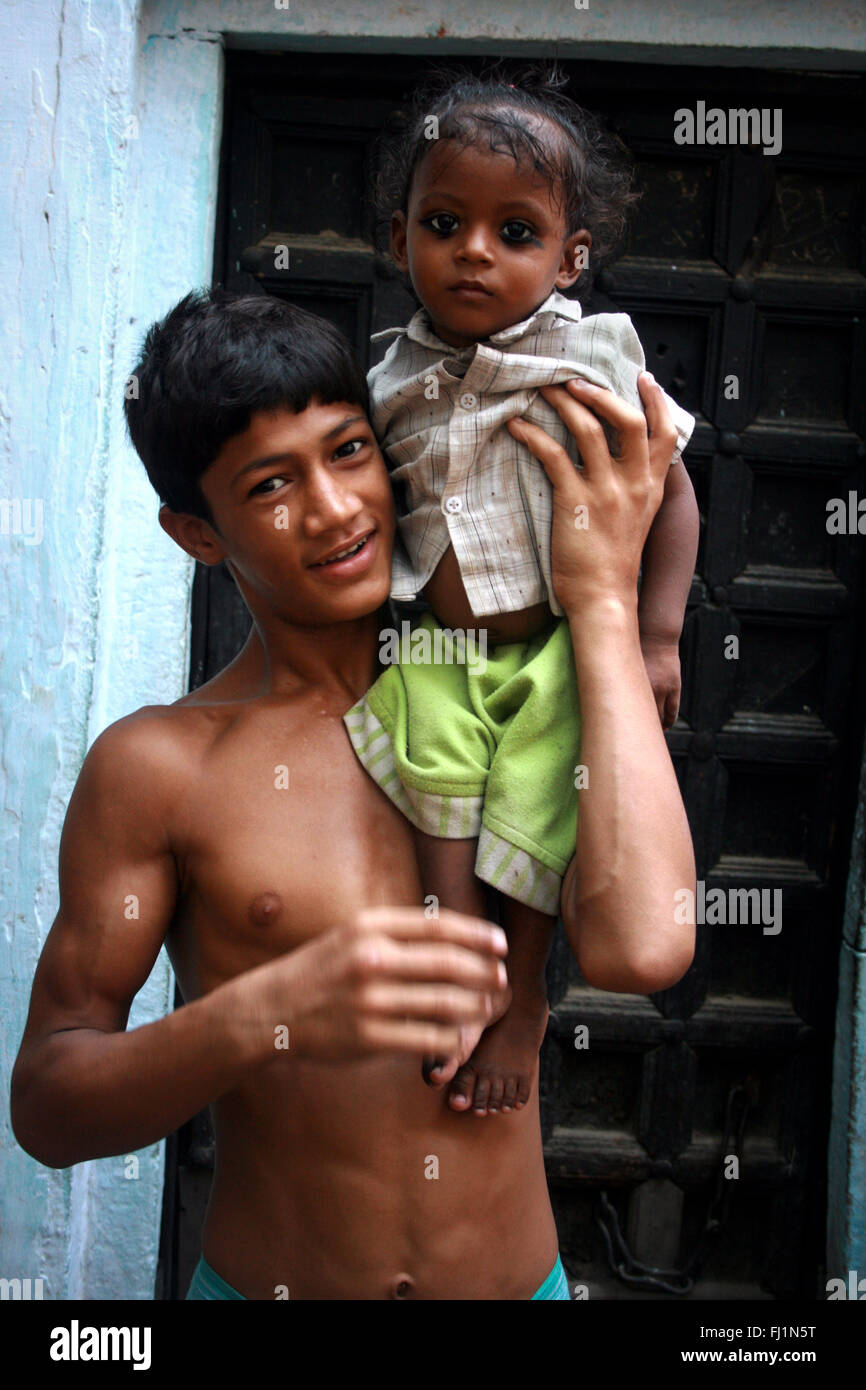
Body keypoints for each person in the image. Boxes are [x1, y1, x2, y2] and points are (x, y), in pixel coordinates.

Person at [10, 289, 695, 1300]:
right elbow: (50, 1108)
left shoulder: (516, 695)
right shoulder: (159, 767)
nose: (333, 510)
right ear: (197, 533)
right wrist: (275, 1005)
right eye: (271, 485)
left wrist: (599, 604)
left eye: (346, 452)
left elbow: (645, 948)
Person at [343, 65, 700, 1114]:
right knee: (426, 756)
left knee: (544, 808)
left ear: (567, 255)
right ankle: (459, 961)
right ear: (399, 233)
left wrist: (660, 637)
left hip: (557, 650)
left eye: (515, 232)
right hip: (442, 647)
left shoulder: (592, 360)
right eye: (443, 222)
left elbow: (672, 496)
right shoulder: (383, 380)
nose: (472, 252)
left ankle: (525, 993)